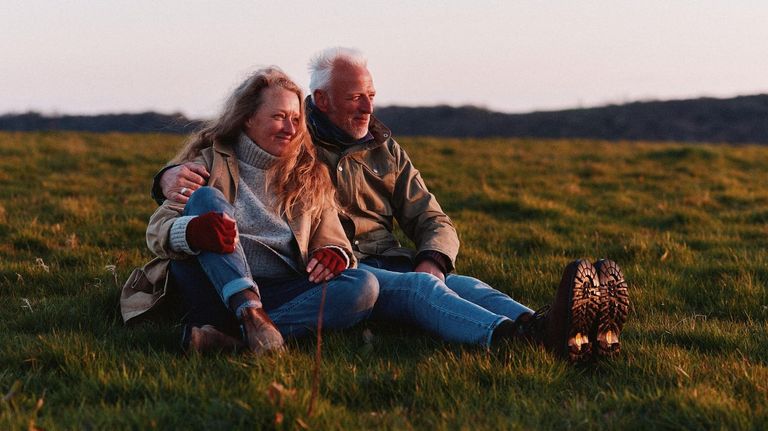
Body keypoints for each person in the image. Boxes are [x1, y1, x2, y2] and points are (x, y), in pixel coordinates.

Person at [155, 49, 629, 363]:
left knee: (458, 283)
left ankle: (553, 327)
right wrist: (170, 186)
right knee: (414, 292)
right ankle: (518, 342)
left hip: (355, 267)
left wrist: (431, 260)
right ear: (320, 100)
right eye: (354, 98)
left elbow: (428, 218)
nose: (367, 108)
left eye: (372, 97)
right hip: (295, 277)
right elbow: (176, 210)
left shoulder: (364, 153)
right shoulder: (286, 148)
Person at [122, 67, 379, 354]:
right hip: (215, 289)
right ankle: (248, 316)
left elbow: (336, 242)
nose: (291, 129)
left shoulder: (310, 175)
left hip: (282, 290)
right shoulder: (207, 162)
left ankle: (234, 338)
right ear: (247, 119)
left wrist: (334, 254)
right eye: (279, 117)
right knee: (206, 198)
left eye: (296, 119)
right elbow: (157, 231)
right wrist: (191, 232)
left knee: (363, 284)